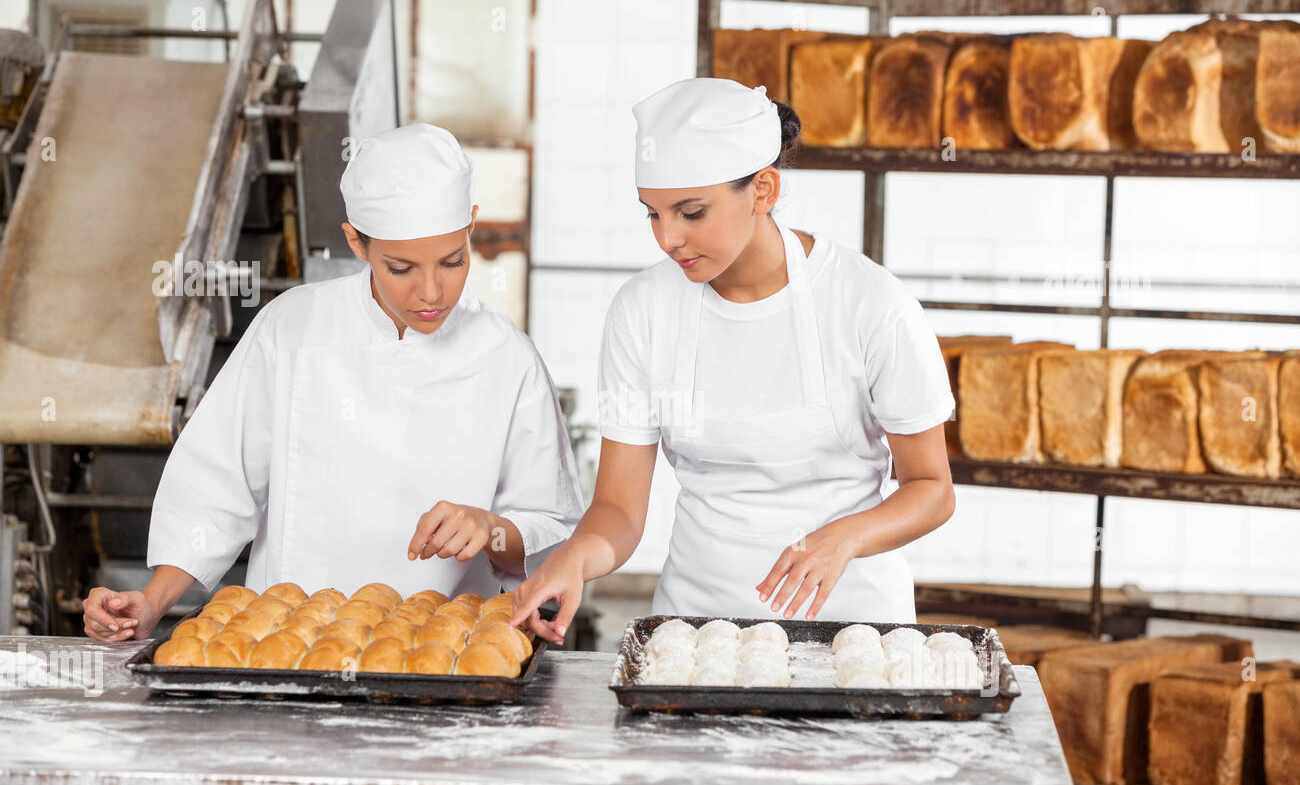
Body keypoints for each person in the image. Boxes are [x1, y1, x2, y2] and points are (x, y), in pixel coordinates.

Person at [84, 123, 583, 642]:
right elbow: (215, 487)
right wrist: (149, 602)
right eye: (401, 267)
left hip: (442, 652)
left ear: (472, 226)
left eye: (453, 261)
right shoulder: (292, 329)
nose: (432, 290)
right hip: (288, 645)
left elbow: (553, 528)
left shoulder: (507, 358)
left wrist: (490, 527)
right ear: (357, 243)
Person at [511, 78, 956, 644]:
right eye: (652, 214)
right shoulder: (641, 311)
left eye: (691, 212)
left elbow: (932, 488)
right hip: (695, 636)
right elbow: (619, 508)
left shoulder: (868, 303)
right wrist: (574, 558)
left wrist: (842, 537)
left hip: (853, 635)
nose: (667, 238)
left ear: (763, 189)